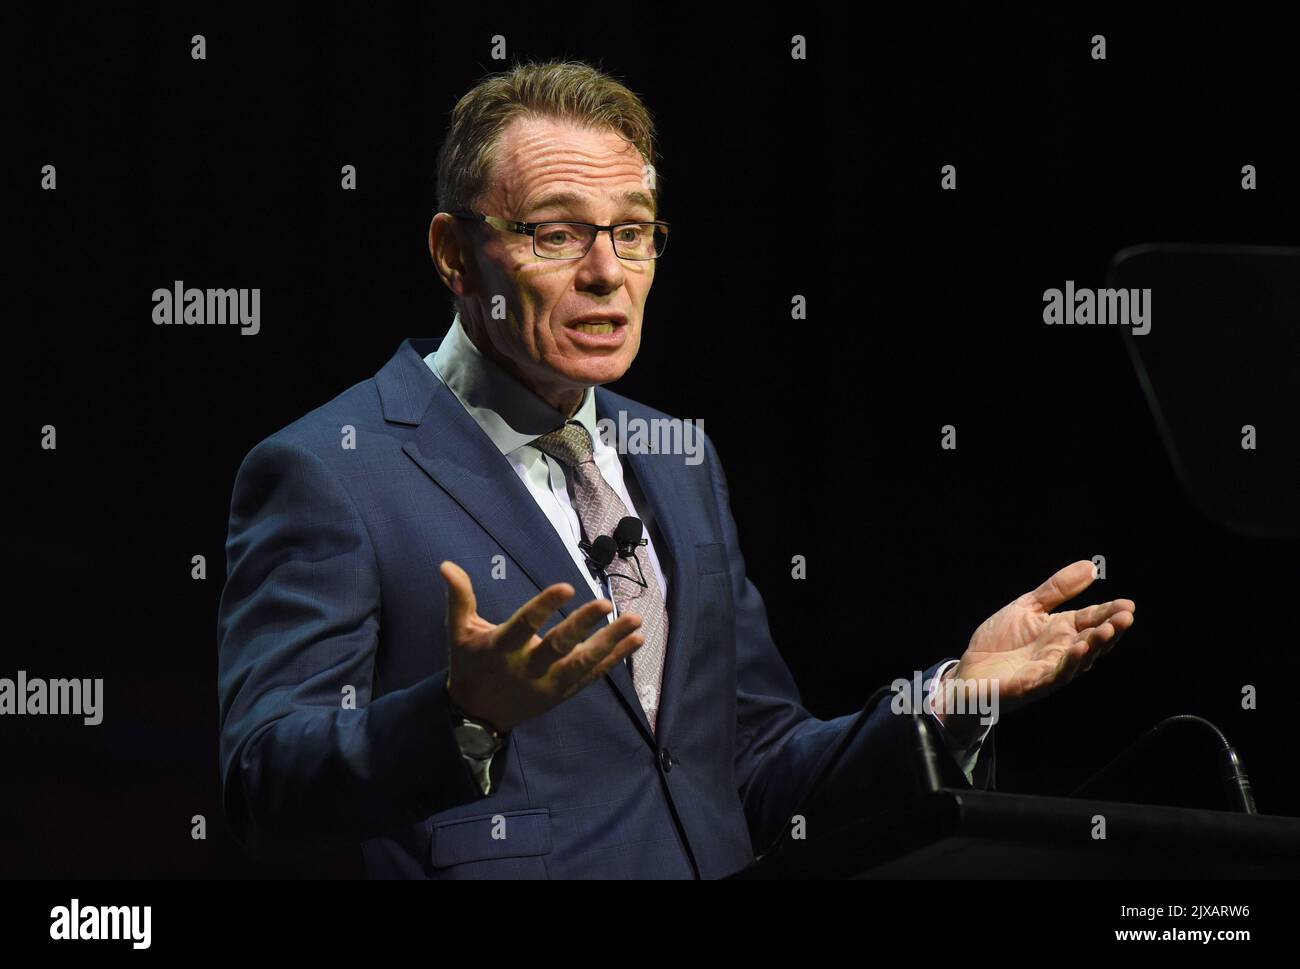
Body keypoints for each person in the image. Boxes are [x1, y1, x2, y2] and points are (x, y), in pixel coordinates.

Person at [217, 59, 1135, 879]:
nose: (607, 273)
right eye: (555, 234)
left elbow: (758, 762)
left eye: (633, 231)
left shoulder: (678, 455)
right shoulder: (331, 469)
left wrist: (956, 692)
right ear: (455, 255)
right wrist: (463, 714)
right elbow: (265, 785)